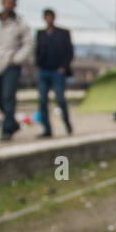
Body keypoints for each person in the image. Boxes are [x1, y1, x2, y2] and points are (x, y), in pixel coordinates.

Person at [0, 0, 33, 142]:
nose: (9, 4)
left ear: (15, 4)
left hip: (11, 64)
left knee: (8, 97)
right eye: (6, 1)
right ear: (2, 3)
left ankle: (6, 130)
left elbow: (29, 43)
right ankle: (11, 123)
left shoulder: (20, 23)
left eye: (12, 2)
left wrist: (17, 59)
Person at [34, 8, 74, 137]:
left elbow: (69, 52)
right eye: (46, 17)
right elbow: (37, 51)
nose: (49, 19)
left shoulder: (63, 33)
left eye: (50, 16)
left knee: (60, 100)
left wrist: (63, 67)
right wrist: (38, 66)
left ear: (54, 18)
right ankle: (47, 129)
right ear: (44, 18)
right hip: (43, 71)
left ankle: (67, 124)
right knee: (42, 101)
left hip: (57, 72)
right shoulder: (40, 33)